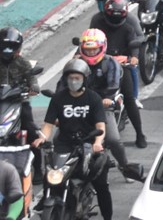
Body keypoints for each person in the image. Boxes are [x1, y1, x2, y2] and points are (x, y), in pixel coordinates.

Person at [34, 60, 114, 220]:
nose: (73, 81)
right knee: (51, 173)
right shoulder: (57, 99)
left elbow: (100, 125)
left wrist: (98, 142)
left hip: (88, 143)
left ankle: (108, 216)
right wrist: (42, 138)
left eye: (77, 78)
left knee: (101, 184)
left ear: (84, 79)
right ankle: (46, 198)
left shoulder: (94, 98)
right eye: (70, 78)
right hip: (64, 143)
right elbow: (48, 124)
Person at [72, 30, 143, 187]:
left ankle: (125, 167)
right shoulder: (75, 64)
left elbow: (112, 87)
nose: (90, 53)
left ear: (102, 48)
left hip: (101, 106)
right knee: (59, 137)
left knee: (113, 139)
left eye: (94, 49)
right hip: (77, 105)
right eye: (87, 49)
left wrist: (106, 100)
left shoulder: (111, 63)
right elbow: (64, 84)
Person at [89, 0, 145, 149]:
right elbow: (89, 38)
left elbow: (134, 45)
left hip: (120, 65)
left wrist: (132, 58)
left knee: (129, 98)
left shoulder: (128, 28)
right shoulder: (97, 22)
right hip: (96, 62)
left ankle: (140, 134)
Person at [0, 27, 42, 179]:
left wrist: (33, 87)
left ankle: (38, 167)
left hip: (18, 102)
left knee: (31, 130)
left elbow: (32, 79)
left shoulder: (22, 63)